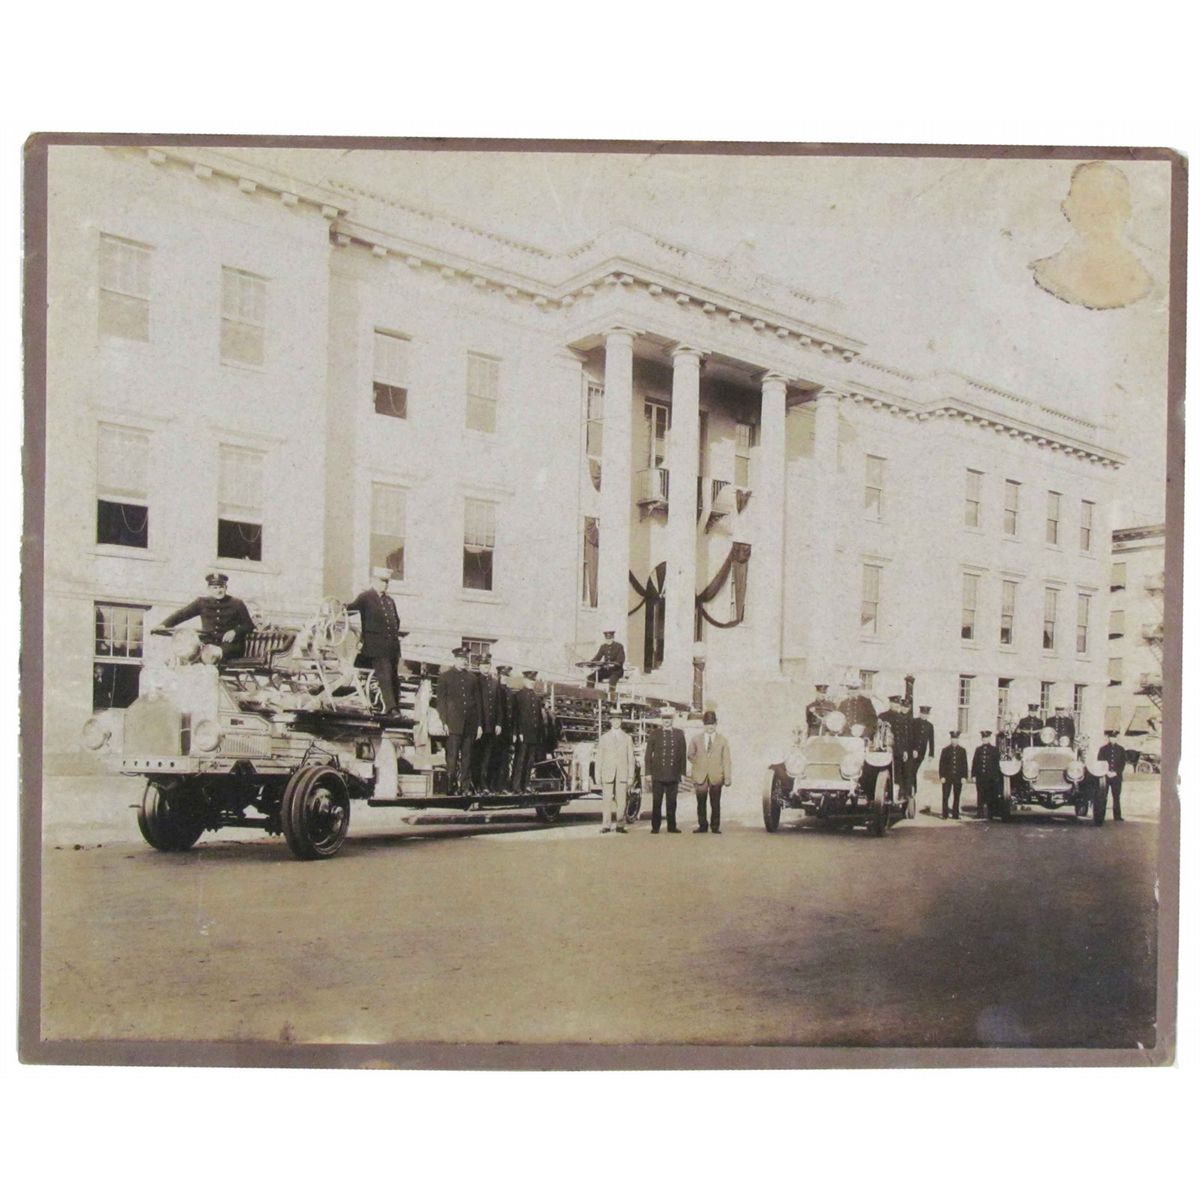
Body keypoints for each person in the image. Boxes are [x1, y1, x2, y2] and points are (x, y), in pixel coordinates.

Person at [157, 571, 256, 659]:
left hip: (231, 646)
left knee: (211, 654)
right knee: (184, 654)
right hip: (208, 643)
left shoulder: (236, 603)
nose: (218, 590)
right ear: (209, 589)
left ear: (226, 588)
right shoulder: (201, 602)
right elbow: (182, 614)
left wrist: (235, 631)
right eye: (215, 587)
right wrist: (164, 625)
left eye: (221, 587)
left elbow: (249, 625)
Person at [346, 567, 405, 715]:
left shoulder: (389, 601)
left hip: (391, 647)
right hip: (374, 647)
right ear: (374, 581)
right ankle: (392, 709)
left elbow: (396, 621)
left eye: (386, 582)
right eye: (381, 581)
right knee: (384, 675)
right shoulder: (365, 597)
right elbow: (349, 610)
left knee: (393, 677)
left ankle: (396, 707)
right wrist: (335, 608)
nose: (384, 585)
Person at [436, 647, 482, 795]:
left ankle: (465, 787)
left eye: (465, 659)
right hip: (453, 725)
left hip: (470, 725)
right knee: (452, 757)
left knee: (467, 757)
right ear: (455, 659)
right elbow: (441, 702)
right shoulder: (445, 677)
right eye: (461, 659)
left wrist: (479, 725)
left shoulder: (472, 678)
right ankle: (450, 787)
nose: (463, 662)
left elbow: (478, 703)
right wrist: (443, 721)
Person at [688, 710, 732, 834]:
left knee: (715, 802)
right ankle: (702, 825)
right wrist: (699, 764)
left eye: (712, 724)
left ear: (716, 724)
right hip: (700, 776)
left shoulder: (722, 740)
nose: (710, 727)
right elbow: (690, 754)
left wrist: (727, 777)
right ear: (704, 725)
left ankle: (715, 826)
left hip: (716, 776)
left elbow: (727, 760)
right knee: (701, 802)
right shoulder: (696, 739)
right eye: (707, 724)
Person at [645, 708, 687, 833]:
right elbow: (648, 755)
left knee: (672, 802)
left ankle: (672, 826)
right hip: (658, 773)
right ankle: (655, 827)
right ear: (661, 719)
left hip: (673, 773)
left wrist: (683, 773)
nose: (666, 721)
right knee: (656, 802)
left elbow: (682, 755)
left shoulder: (679, 733)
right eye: (664, 719)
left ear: (672, 719)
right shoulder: (655, 733)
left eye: (668, 719)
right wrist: (648, 773)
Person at [596, 709, 634, 833]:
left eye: (618, 719)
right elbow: (599, 758)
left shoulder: (627, 738)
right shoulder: (604, 738)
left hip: (622, 774)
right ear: (610, 721)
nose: (616, 721)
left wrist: (630, 776)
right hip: (608, 773)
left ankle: (620, 824)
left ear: (621, 721)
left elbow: (631, 758)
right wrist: (598, 774)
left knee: (621, 800)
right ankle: (606, 825)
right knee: (606, 800)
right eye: (614, 719)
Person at [879, 695, 916, 816]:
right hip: (884, 749)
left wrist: (905, 751)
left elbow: (904, 737)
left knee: (899, 772)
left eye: (897, 704)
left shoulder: (902, 719)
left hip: (898, 750)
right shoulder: (883, 716)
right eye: (893, 704)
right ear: (890, 704)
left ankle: (900, 793)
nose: (895, 706)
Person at [472, 656, 505, 791]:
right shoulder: (475, 681)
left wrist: (498, 723)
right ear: (479, 667)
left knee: (487, 757)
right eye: (483, 666)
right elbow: (475, 705)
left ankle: (484, 784)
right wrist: (478, 725)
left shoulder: (494, 682)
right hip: (478, 726)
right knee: (476, 756)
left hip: (491, 726)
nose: (485, 668)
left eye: (487, 666)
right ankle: (476, 784)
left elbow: (498, 705)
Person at [512, 670, 546, 792]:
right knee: (520, 761)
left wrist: (540, 735)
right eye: (529, 681)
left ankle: (525, 784)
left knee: (529, 762)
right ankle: (516, 786)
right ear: (524, 680)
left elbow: (539, 718)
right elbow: (516, 716)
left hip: (533, 734)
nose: (531, 683)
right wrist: (518, 732)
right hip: (523, 734)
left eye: (533, 681)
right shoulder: (519, 696)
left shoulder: (536, 698)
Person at [492, 664, 517, 791]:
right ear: (498, 675)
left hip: (507, 732)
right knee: (494, 759)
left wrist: (513, 732)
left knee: (505, 760)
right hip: (496, 730)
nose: (505, 678)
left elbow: (513, 715)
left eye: (507, 676)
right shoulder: (495, 690)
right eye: (503, 675)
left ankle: (503, 786)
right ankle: (493, 786)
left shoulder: (510, 693)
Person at [971, 730, 1003, 820]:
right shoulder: (978, 749)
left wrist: (997, 776)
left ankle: (990, 814)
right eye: (983, 738)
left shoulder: (994, 750)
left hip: (991, 777)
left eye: (986, 738)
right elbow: (975, 763)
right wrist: (973, 775)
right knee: (980, 794)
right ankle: (980, 813)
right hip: (980, 776)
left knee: (990, 795)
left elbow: (997, 764)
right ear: (982, 739)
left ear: (989, 738)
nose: (985, 739)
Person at [1098, 729, 1128, 821]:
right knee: (1103, 796)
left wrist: (1116, 772)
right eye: (1111, 737)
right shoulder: (1103, 749)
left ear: (1117, 738)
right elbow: (1100, 762)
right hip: (1105, 776)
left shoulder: (1121, 749)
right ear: (1108, 738)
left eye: (1114, 738)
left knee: (1116, 796)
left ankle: (1117, 816)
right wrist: (1106, 772)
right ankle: (1101, 816)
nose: (1113, 739)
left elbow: (1122, 763)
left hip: (1116, 776)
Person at [938, 730, 968, 819]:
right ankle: (945, 814)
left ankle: (955, 814)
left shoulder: (962, 751)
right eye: (953, 739)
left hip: (958, 777)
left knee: (957, 796)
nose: (954, 741)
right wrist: (942, 776)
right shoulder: (945, 750)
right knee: (945, 796)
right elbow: (941, 764)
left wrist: (964, 776)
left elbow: (964, 764)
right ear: (950, 739)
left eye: (956, 739)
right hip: (947, 777)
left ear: (958, 739)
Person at [911, 704, 935, 798]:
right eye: (923, 713)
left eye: (926, 714)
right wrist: (913, 749)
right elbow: (910, 736)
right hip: (912, 752)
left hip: (921, 753)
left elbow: (931, 740)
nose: (924, 715)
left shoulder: (929, 726)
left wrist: (931, 754)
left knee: (914, 771)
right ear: (920, 713)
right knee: (911, 770)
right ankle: (912, 789)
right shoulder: (914, 722)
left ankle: (913, 789)